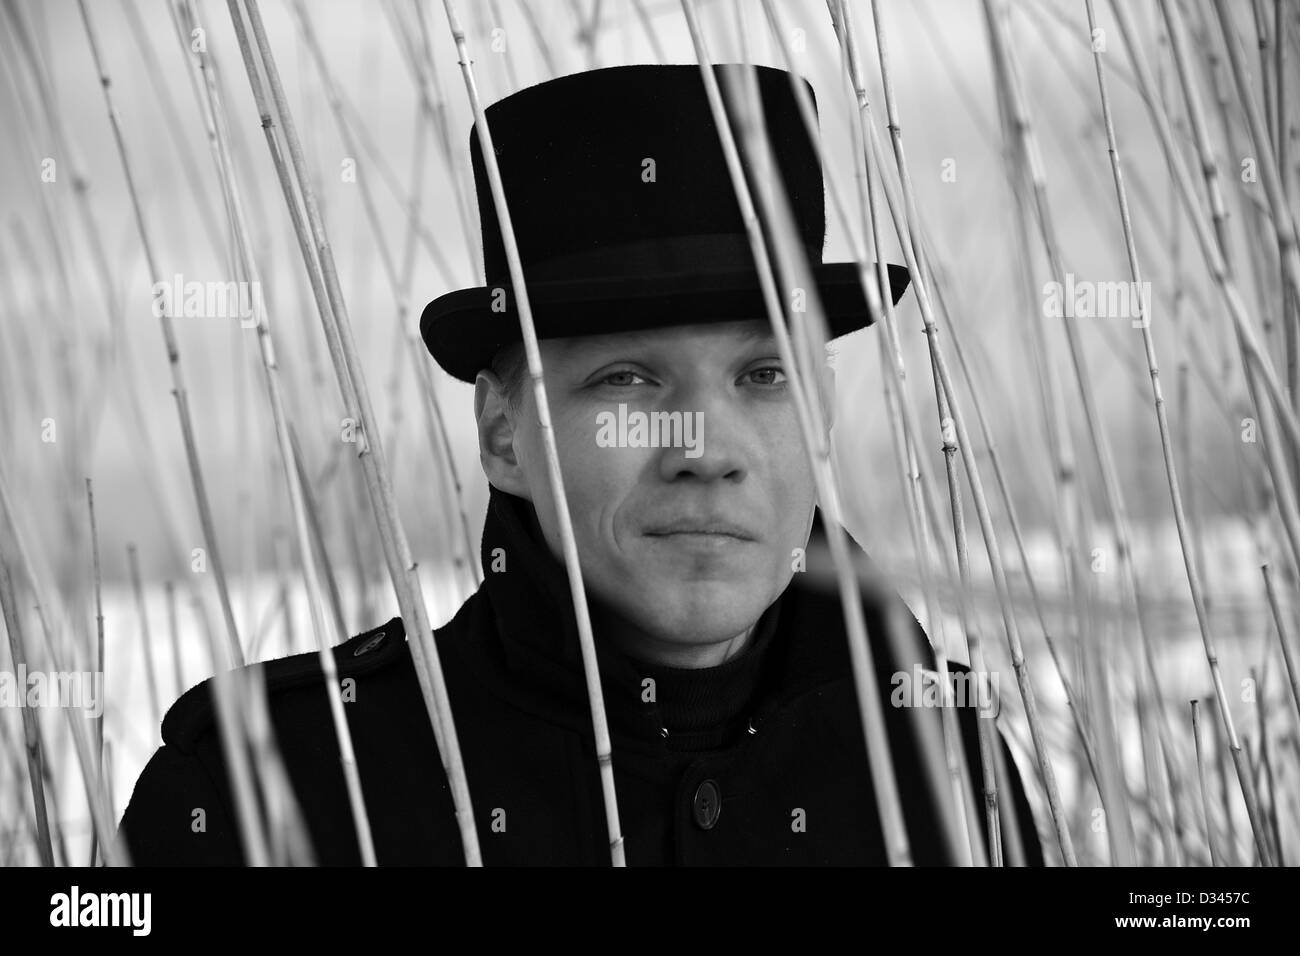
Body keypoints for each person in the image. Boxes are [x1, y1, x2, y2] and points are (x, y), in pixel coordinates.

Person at [119, 63, 1043, 866]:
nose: (706, 451)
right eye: (629, 380)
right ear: (503, 434)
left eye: (764, 374)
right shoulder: (275, 799)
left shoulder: (950, 773)